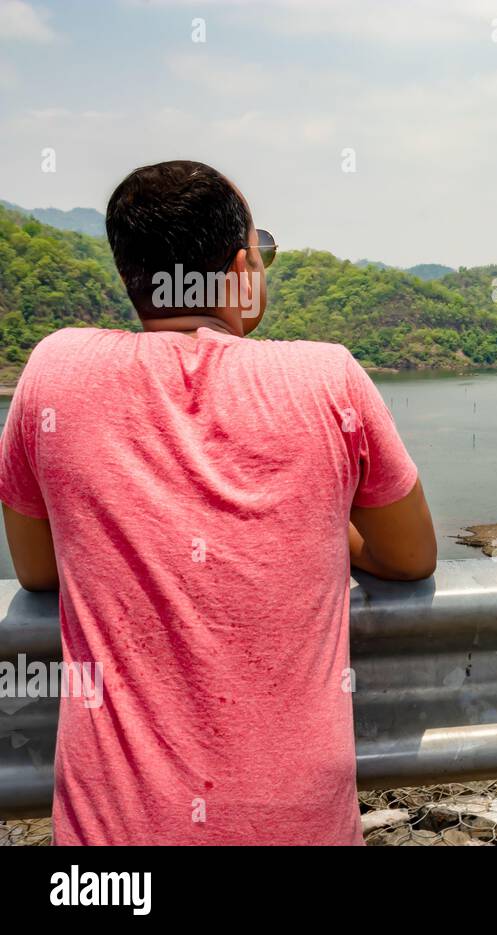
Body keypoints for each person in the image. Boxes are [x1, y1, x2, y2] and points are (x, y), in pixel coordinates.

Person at [0, 160, 437, 845]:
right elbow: (409, 555)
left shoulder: (55, 373)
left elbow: (39, 568)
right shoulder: (329, 378)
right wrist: (318, 532)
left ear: (128, 276)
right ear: (240, 268)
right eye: (262, 253)